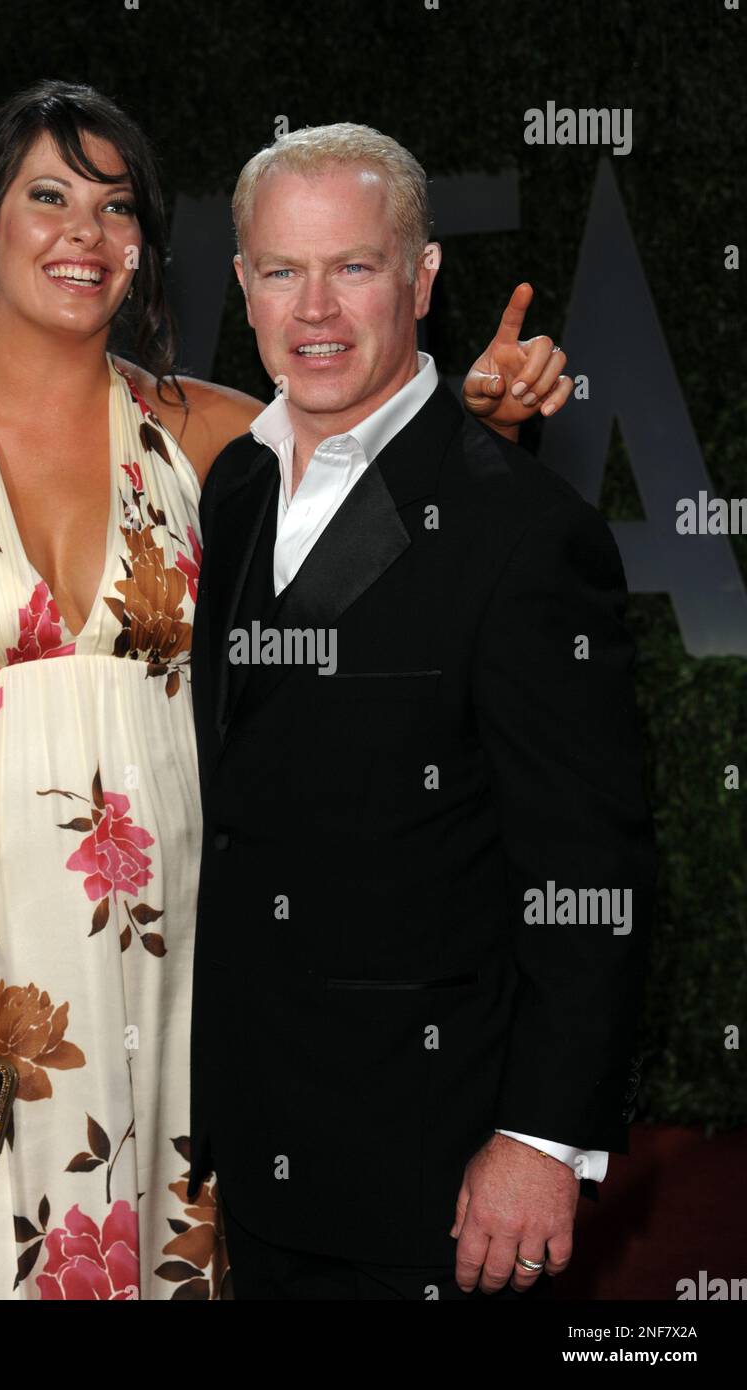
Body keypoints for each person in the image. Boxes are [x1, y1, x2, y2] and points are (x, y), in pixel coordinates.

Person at [0, 86, 569, 1301]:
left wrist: (476, 419)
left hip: (185, 972)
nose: (87, 231)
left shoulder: (222, 438)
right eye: (50, 196)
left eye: (118, 206)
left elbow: (378, 466)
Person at [186, 122, 658, 1300]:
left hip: (435, 1166)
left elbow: (589, 865)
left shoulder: (520, 531)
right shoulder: (233, 486)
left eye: (354, 265)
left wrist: (541, 1140)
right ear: (242, 286)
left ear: (422, 275)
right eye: (283, 270)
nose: (317, 309)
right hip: (256, 1142)